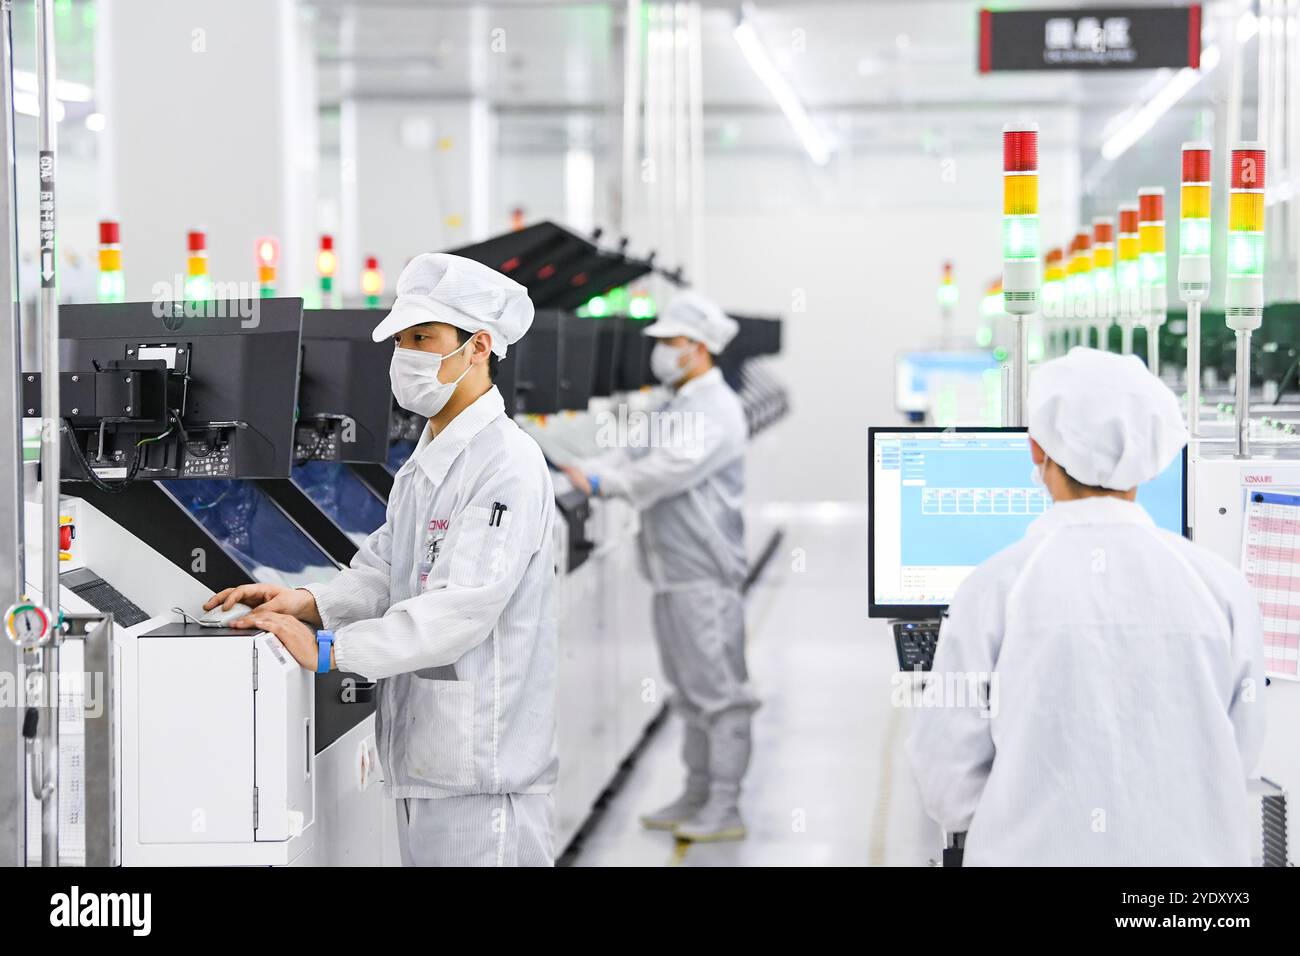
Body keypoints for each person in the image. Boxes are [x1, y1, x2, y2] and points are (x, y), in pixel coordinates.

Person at [206, 253, 558, 867]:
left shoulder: (506, 464)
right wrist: (311, 604)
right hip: (429, 762)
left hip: (483, 773)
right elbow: (385, 570)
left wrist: (329, 652)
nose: (405, 354)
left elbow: (458, 612)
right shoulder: (428, 461)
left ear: (478, 346)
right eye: (401, 340)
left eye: (423, 338)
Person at [907, 348, 1266, 866]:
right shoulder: (1222, 589)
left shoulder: (994, 590)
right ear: (1153, 455)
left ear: (1036, 450)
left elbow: (945, 776)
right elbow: (1239, 757)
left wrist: (1026, 818)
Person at [561, 291, 757, 842]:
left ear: (696, 347)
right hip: (672, 569)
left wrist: (603, 483)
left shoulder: (715, 410)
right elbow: (631, 452)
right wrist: (585, 468)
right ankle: (697, 791)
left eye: (669, 343)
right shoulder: (676, 403)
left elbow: (664, 472)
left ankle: (726, 804)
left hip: (705, 571)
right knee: (689, 691)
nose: (661, 352)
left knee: (721, 694)